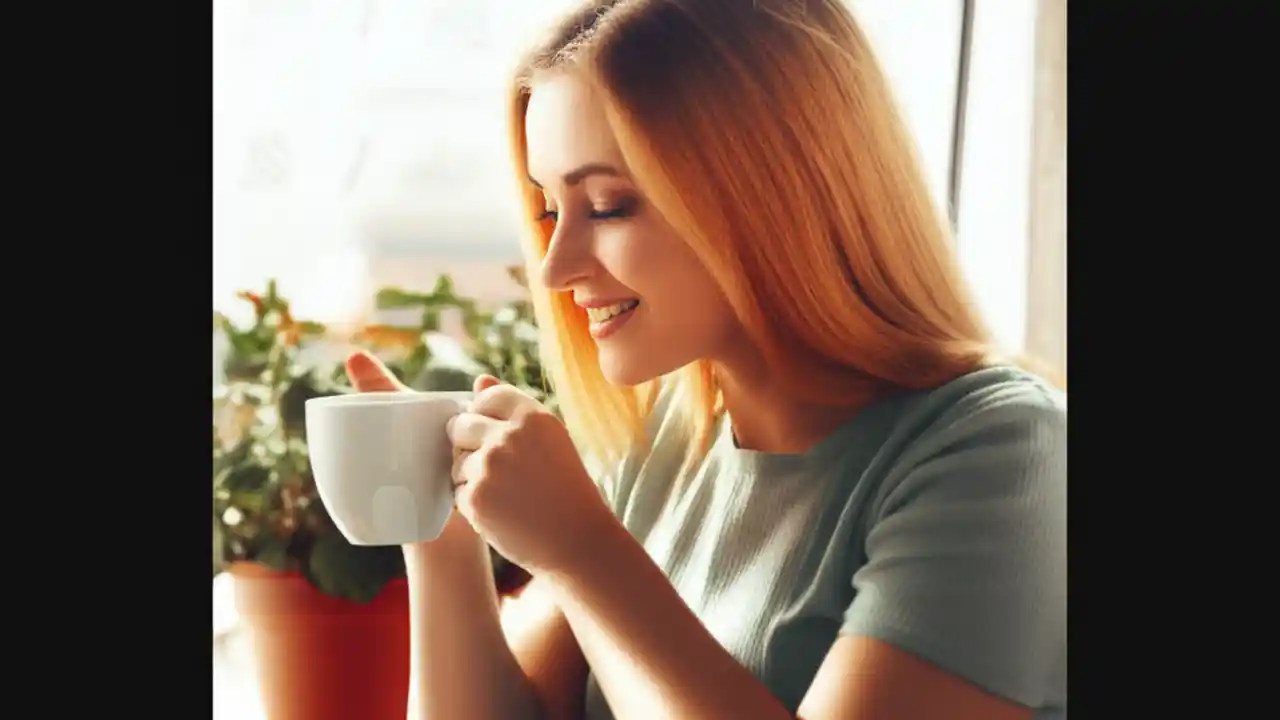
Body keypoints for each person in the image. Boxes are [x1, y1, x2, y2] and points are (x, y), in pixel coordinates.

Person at [345, 0, 1067, 718]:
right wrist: (440, 537)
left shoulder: (1002, 455)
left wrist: (584, 553)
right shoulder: (668, 442)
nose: (556, 268)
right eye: (547, 210)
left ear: (772, 193)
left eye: (607, 205)